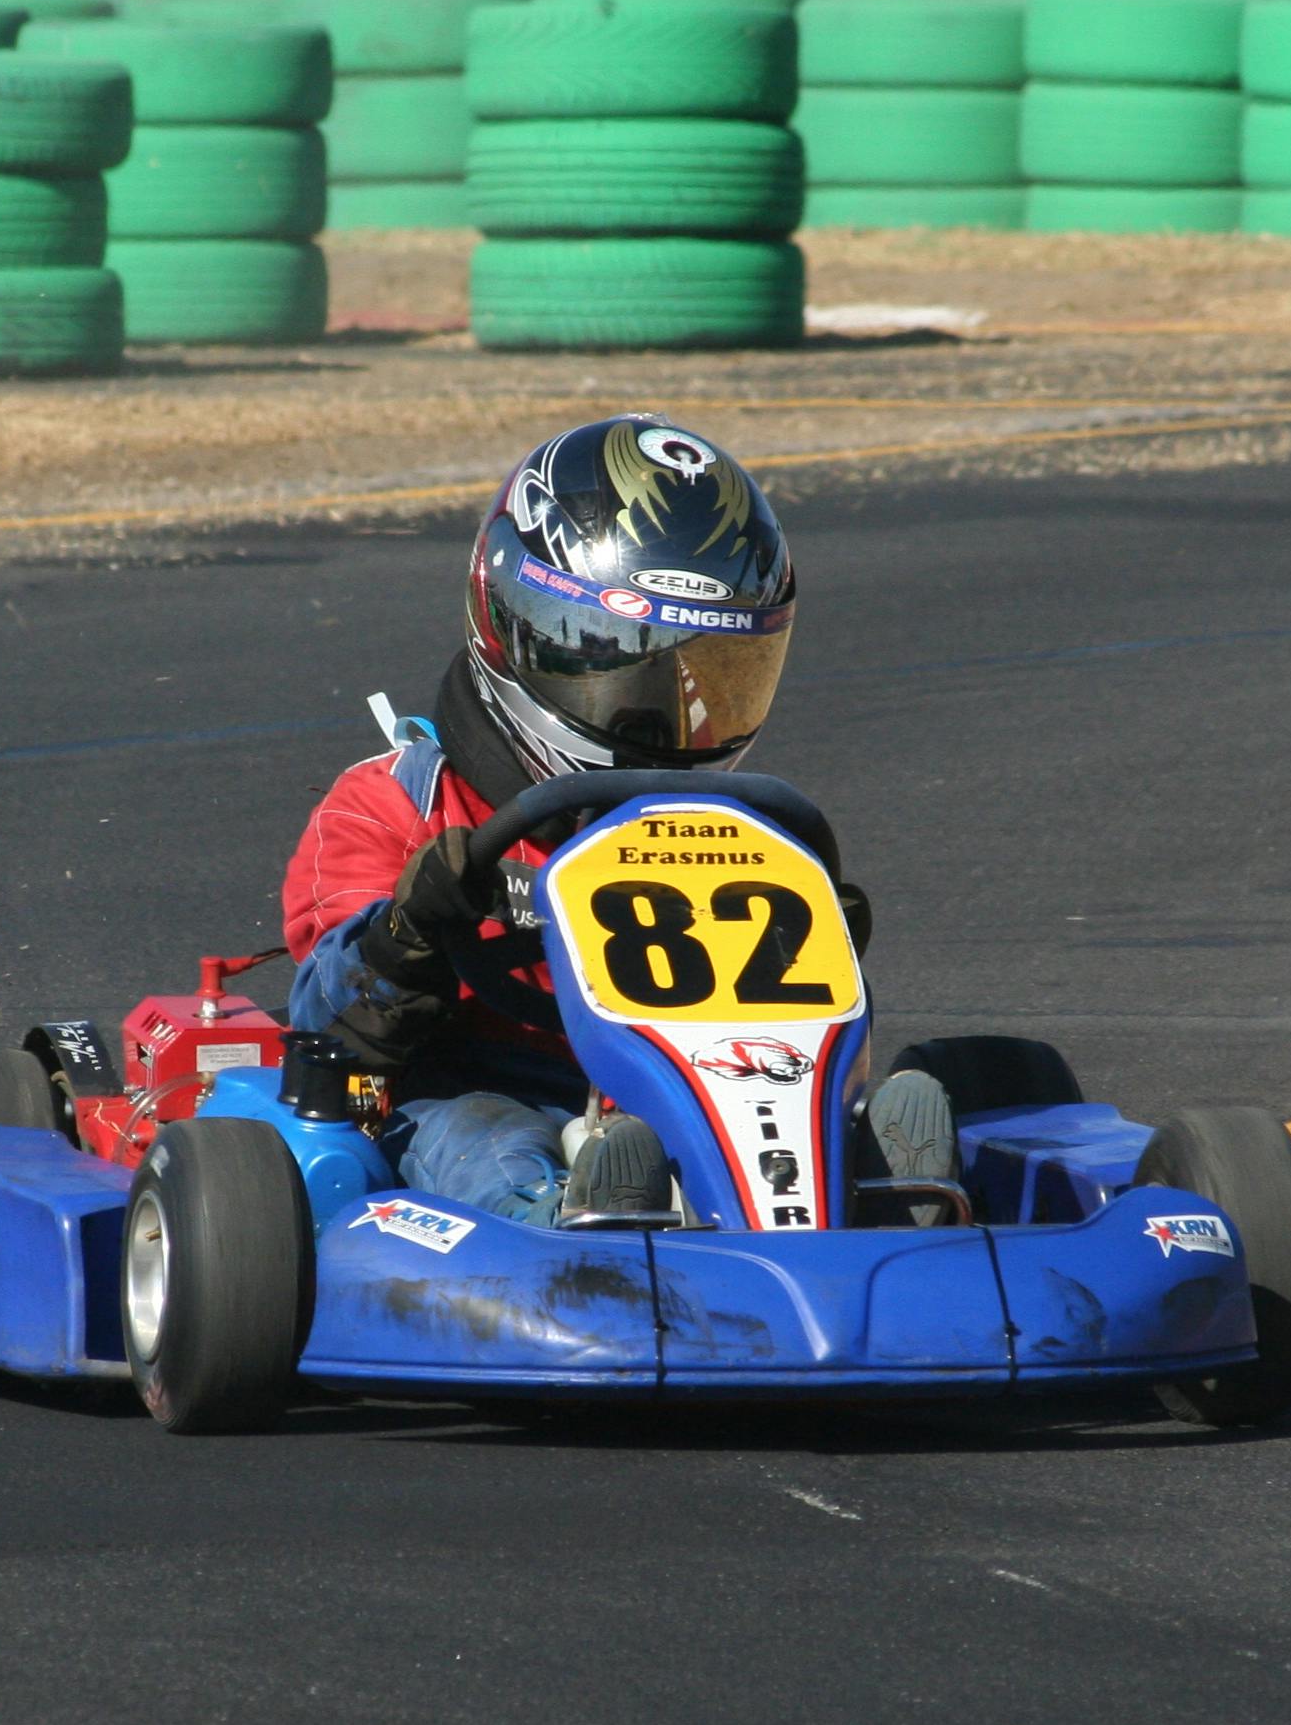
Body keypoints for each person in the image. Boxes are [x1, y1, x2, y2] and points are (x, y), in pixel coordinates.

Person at [281, 413, 953, 1225]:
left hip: (698, 1087)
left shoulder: (736, 829)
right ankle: (565, 1229)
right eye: (623, 672)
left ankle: (887, 1187)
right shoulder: (395, 804)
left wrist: (811, 938)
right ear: (521, 627)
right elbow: (323, 1024)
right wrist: (407, 933)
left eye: (710, 676)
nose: (669, 718)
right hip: (483, 1083)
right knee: (487, 1142)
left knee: (939, 1087)